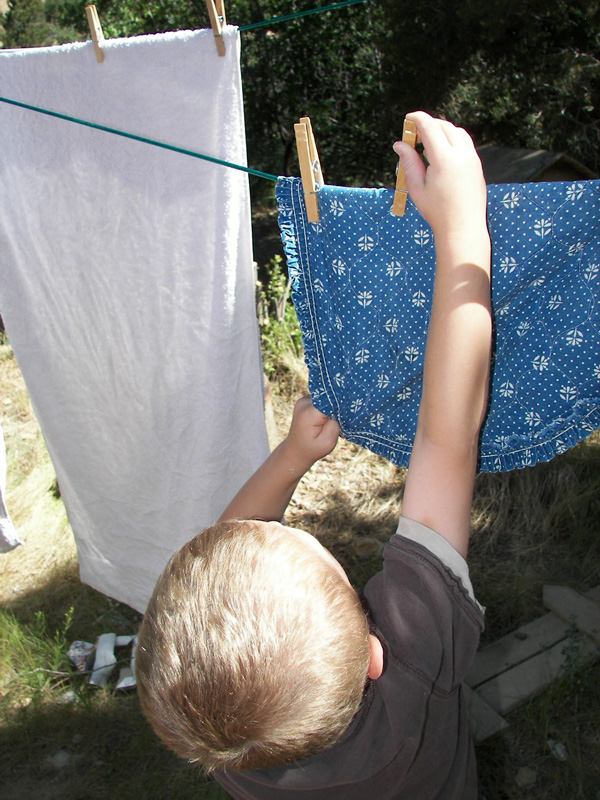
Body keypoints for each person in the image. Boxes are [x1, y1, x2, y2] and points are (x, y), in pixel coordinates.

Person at [136, 111, 492, 799]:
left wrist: (292, 457)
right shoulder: (417, 662)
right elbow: (448, 443)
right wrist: (462, 232)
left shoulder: (232, 743)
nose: (280, 525)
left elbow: (226, 544)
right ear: (373, 656)